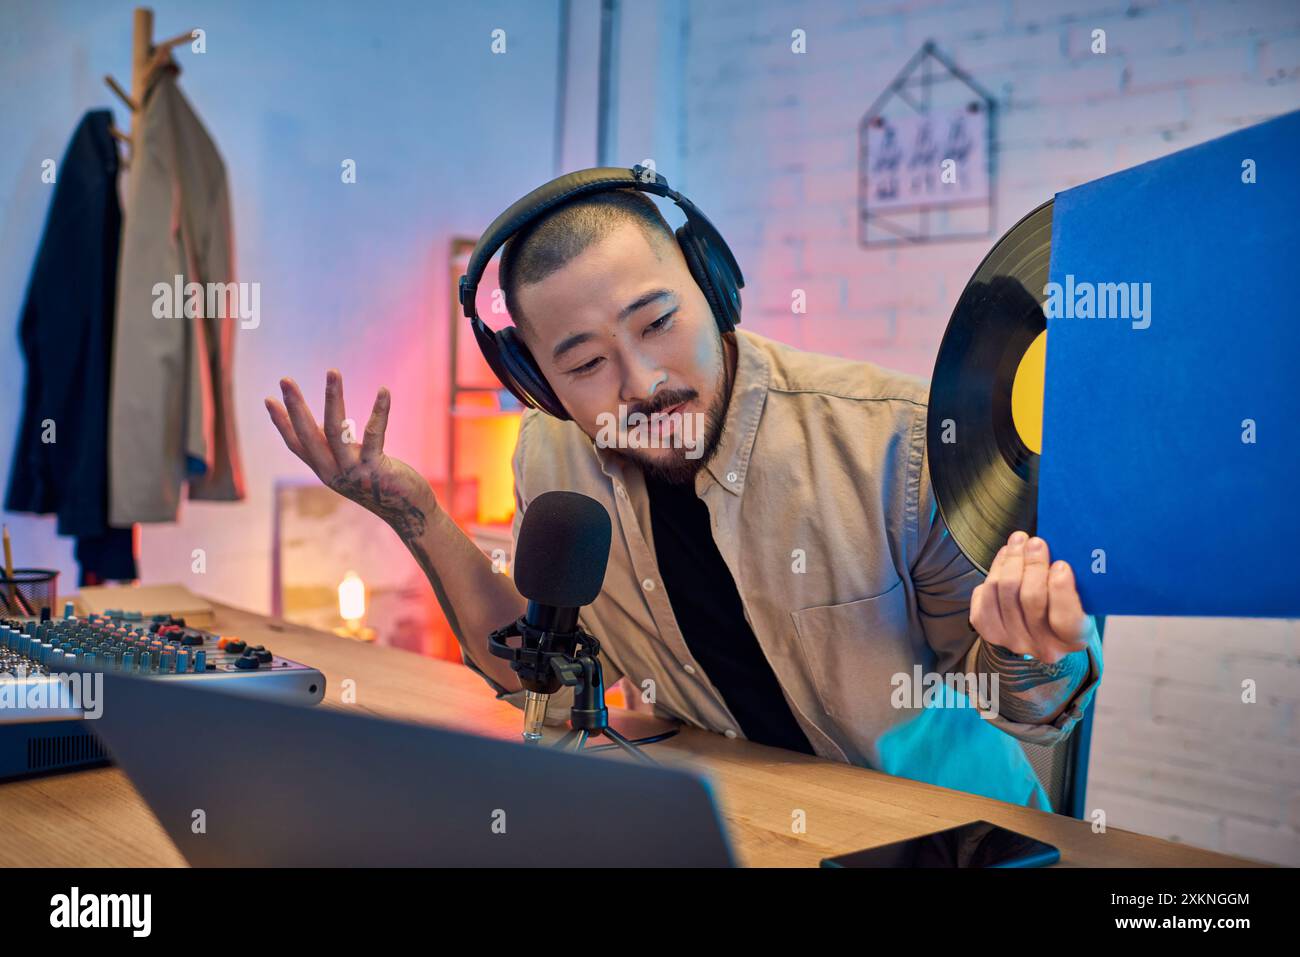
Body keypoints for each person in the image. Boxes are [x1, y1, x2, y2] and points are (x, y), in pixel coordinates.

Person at [265, 187, 1102, 810]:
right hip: (741, 825)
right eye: (586, 364)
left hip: (940, 837)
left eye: (659, 322)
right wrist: (413, 511)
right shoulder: (553, 455)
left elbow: (1029, 713)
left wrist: (1032, 649)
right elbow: (532, 671)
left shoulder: (898, 441)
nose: (643, 383)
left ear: (715, 291)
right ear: (541, 384)